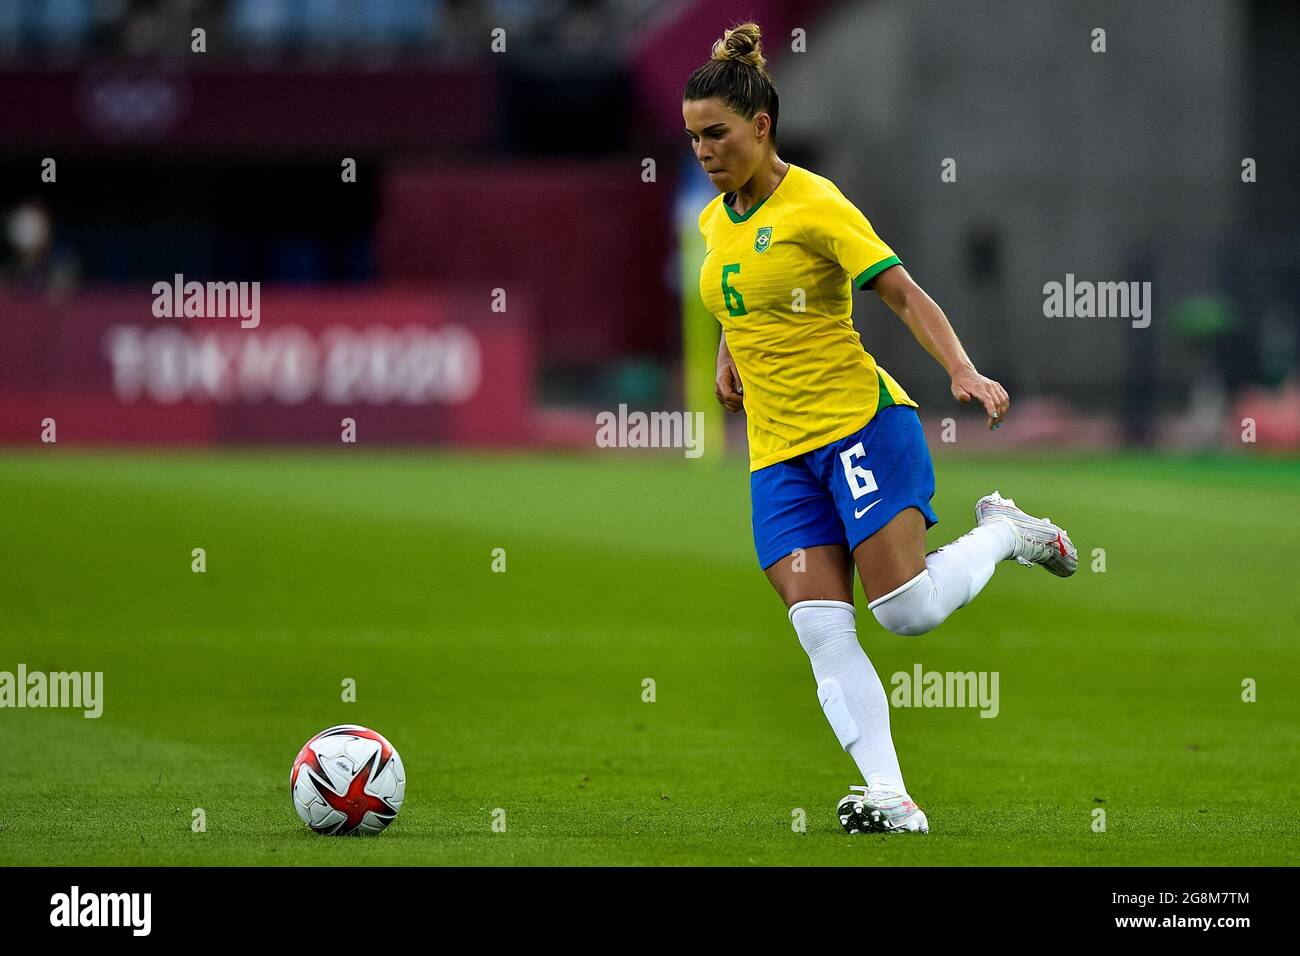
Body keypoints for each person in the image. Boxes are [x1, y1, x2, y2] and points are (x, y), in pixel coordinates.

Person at [684, 22, 1077, 834]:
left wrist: (961, 370)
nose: (703, 151)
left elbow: (904, 293)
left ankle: (1005, 532)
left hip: (857, 428)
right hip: (777, 457)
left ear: (761, 126)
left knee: (904, 611)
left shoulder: (818, 205)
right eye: (692, 138)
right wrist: (730, 347)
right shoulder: (715, 220)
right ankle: (891, 796)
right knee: (821, 628)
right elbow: (739, 291)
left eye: (716, 133)